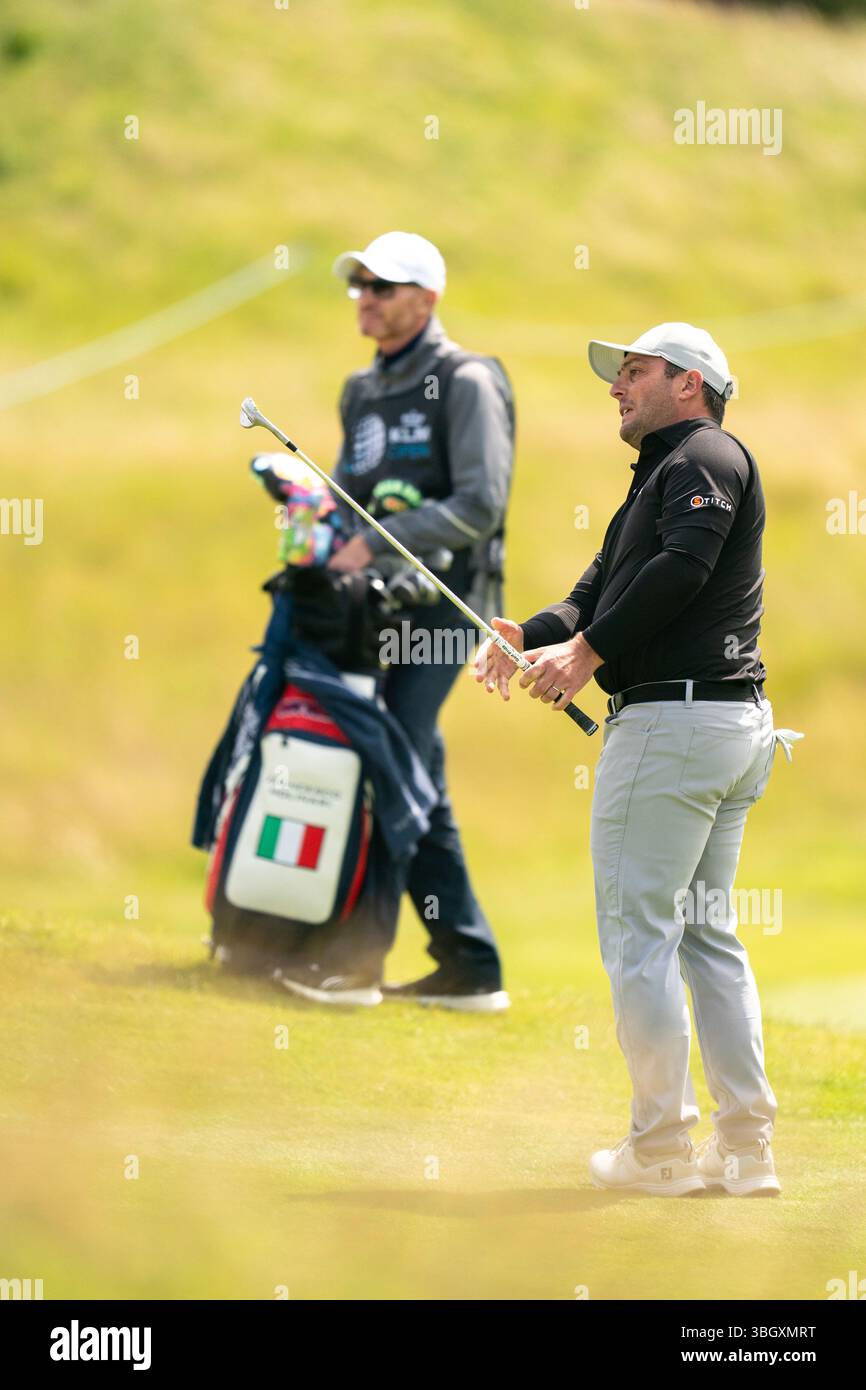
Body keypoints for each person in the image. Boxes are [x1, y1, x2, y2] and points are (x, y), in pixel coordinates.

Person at [476, 322, 803, 1193]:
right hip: (723, 730)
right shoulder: (664, 474)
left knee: (642, 939)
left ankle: (659, 1152)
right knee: (705, 939)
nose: (617, 386)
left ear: (689, 382)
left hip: (673, 732)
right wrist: (528, 636)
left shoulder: (703, 459)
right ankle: (744, 1151)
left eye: (635, 372)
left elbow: (680, 572)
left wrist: (585, 658)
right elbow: (598, 591)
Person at [326, 231, 515, 1012]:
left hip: (445, 609)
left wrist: (372, 539)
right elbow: (345, 490)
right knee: (416, 773)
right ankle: (469, 965)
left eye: (383, 285)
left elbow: (481, 503)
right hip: (374, 608)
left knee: (392, 761)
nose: (366, 296)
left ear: (426, 298)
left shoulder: (467, 379)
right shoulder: (361, 390)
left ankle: (354, 961)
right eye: (360, 283)